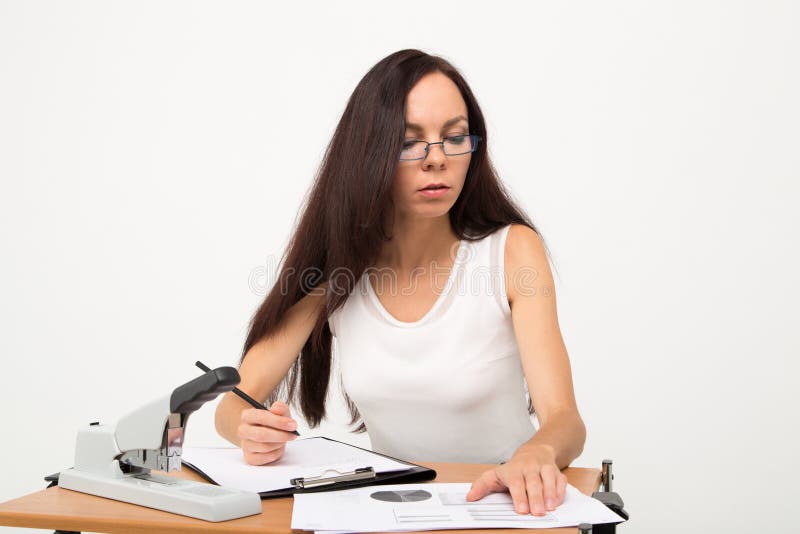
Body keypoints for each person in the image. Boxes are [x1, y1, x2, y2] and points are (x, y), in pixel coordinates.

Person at [214, 49, 586, 517]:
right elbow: (233, 404)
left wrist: (538, 453)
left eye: (454, 138)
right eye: (409, 142)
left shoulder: (511, 251)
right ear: (368, 153)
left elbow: (565, 420)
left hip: (506, 509)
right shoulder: (338, 274)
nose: (437, 159)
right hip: (395, 513)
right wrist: (247, 430)